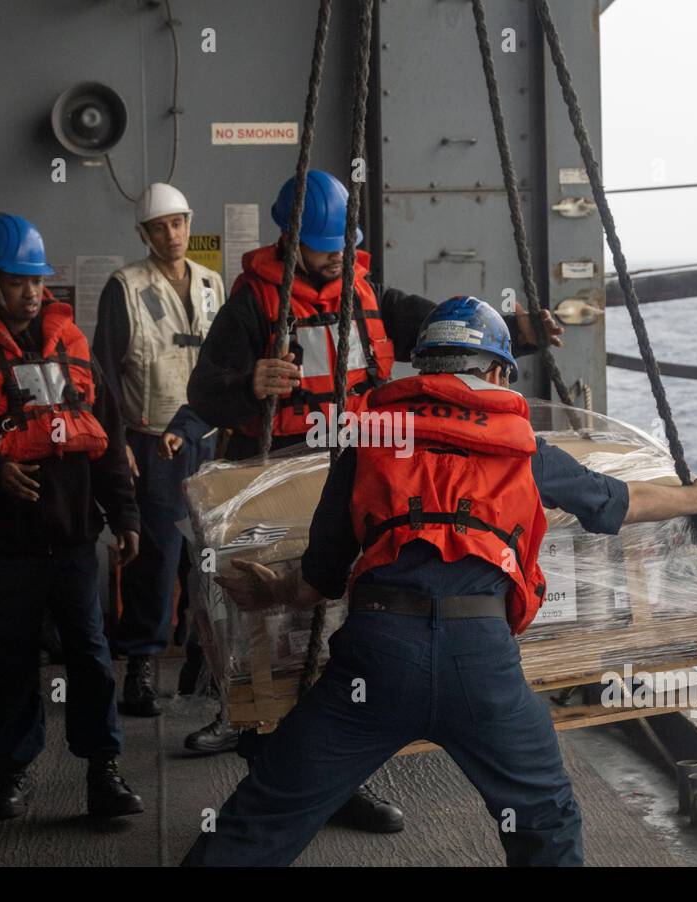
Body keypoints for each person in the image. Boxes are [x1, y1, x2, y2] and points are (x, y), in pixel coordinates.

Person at [182, 296, 697, 866]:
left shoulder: (369, 441)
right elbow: (618, 502)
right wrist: (696, 498)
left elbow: (318, 581)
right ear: (496, 374)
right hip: (481, 665)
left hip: (377, 661)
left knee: (266, 811)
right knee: (545, 818)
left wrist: (269, 589)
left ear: (422, 369)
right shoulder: (523, 448)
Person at [185, 170, 565, 831]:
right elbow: (203, 394)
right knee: (272, 648)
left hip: (356, 472)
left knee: (339, 634)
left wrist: (522, 332)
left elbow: (441, 333)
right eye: (324, 245)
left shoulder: (366, 291)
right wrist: (247, 383)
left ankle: (338, 779)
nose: (335, 255)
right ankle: (273, 765)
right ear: (291, 237)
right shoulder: (251, 304)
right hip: (276, 476)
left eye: (341, 244)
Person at [0, 213, 146, 820]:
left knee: (92, 658)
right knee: (8, 661)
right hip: (3, 547)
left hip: (74, 536)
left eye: (36, 279)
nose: (31, 290)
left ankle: (104, 771)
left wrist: (124, 512)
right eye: (18, 279)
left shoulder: (73, 347)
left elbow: (109, 435)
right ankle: (12, 773)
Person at [93, 183, 223, 717]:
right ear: (144, 234)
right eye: (159, 227)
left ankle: (204, 660)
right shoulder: (125, 286)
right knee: (158, 557)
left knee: (209, 556)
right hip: (151, 445)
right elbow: (102, 372)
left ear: (190, 224)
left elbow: (225, 361)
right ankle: (141, 664)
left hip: (208, 441)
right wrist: (117, 442)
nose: (171, 235)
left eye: (178, 223)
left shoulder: (214, 283)